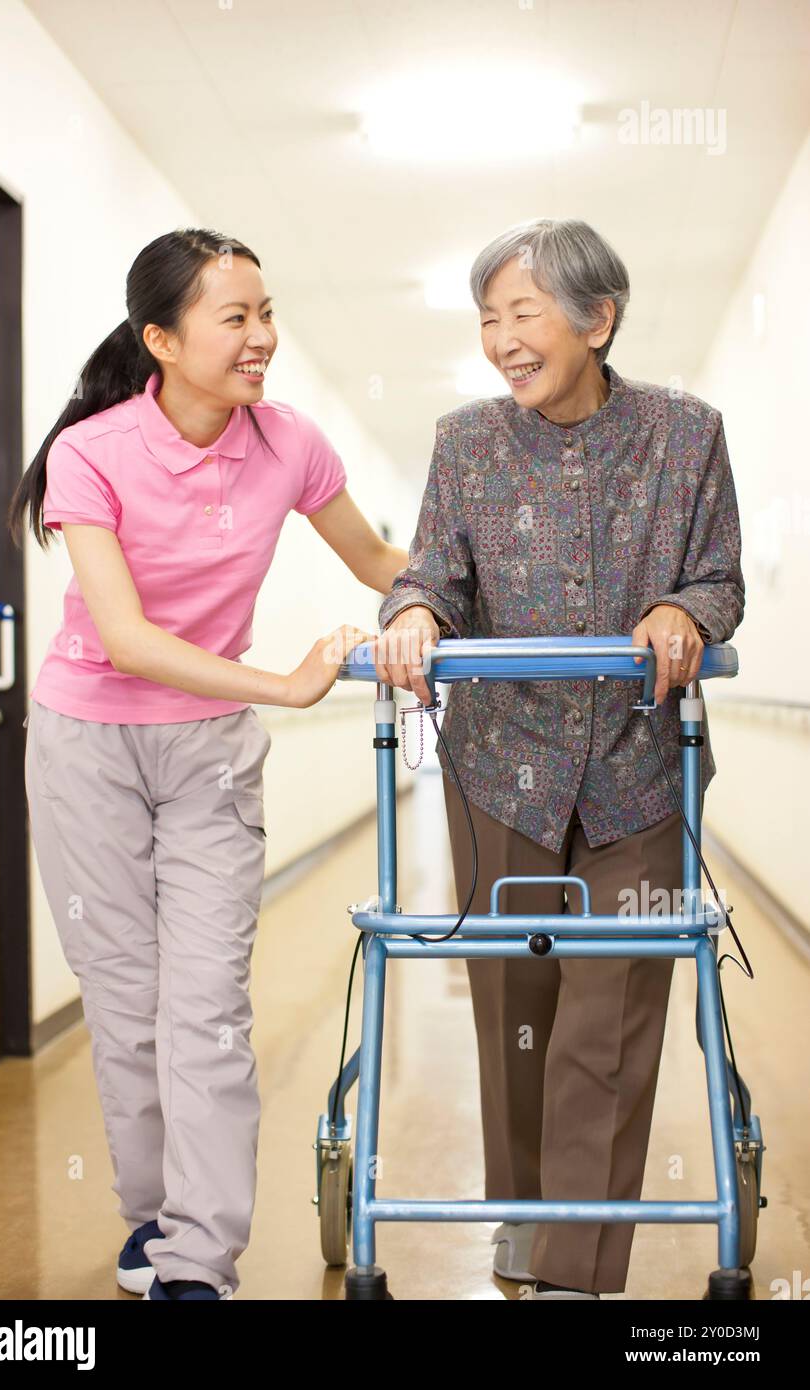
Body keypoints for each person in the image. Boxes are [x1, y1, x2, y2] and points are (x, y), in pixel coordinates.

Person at [8, 227, 402, 1300]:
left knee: (208, 1011)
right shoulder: (92, 453)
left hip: (207, 757)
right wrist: (282, 683)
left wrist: (472, 590)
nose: (262, 337)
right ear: (162, 341)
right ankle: (151, 1216)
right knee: (126, 1004)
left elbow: (379, 562)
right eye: (235, 317)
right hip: (85, 742)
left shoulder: (289, 446)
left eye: (266, 311)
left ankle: (197, 1258)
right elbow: (128, 638)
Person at [374, 217, 745, 1299]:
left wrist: (680, 604)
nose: (500, 339)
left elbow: (718, 576)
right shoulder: (465, 442)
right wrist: (409, 613)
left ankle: (578, 1267)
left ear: (597, 318)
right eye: (487, 319)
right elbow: (431, 572)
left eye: (520, 313)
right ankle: (527, 1221)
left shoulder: (684, 434)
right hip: (501, 768)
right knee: (518, 1009)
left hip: (637, 772)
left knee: (611, 1009)